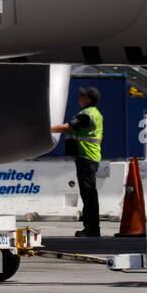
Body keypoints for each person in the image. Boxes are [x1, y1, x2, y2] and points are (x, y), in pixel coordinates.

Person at [52, 86, 104, 237]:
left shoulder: (86, 115)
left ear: (89, 99)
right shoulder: (96, 114)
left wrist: (44, 129)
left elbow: (66, 128)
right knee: (90, 194)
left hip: (86, 157)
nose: (79, 98)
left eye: (82, 96)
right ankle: (92, 228)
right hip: (92, 156)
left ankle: (92, 229)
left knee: (88, 195)